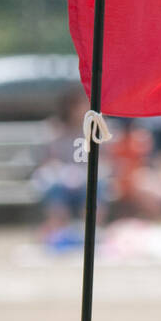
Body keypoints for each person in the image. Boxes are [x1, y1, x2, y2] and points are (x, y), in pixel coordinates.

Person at [31, 87, 97, 240]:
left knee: (96, 186)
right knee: (56, 188)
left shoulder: (94, 129)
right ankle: (58, 232)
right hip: (58, 180)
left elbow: (102, 161)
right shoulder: (52, 129)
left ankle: (90, 231)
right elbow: (47, 161)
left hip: (86, 180)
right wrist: (65, 173)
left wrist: (81, 175)